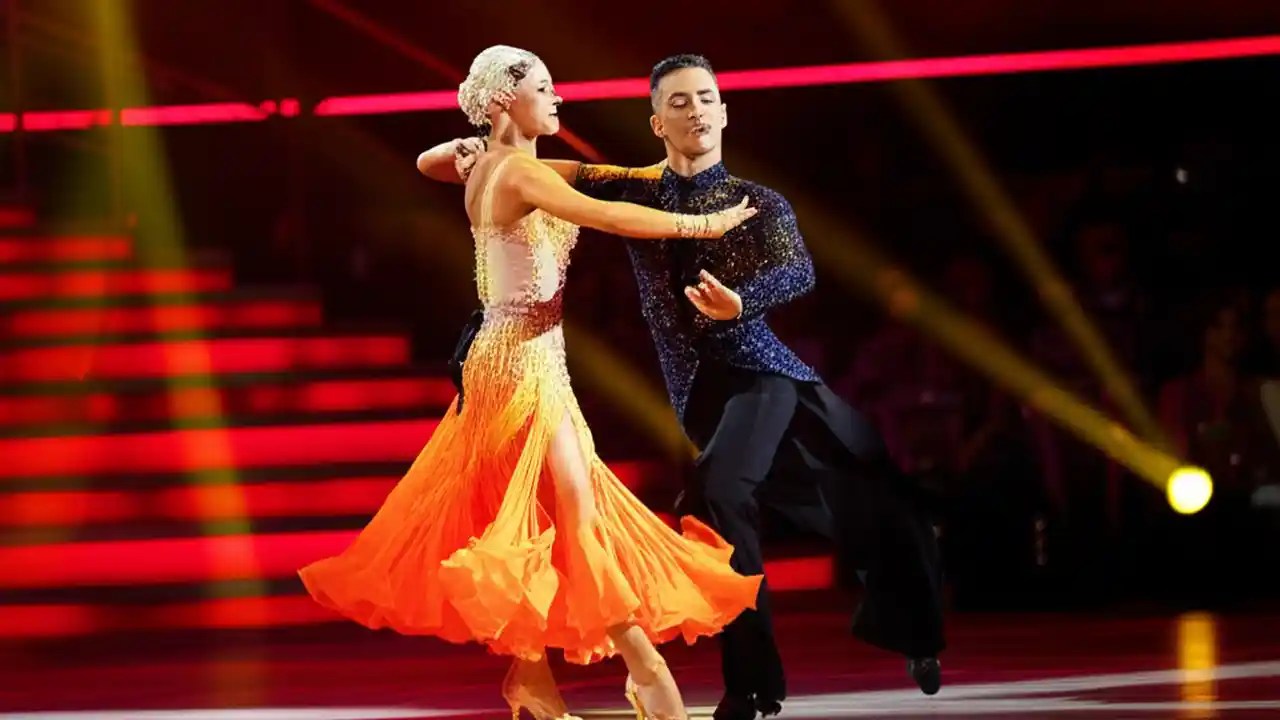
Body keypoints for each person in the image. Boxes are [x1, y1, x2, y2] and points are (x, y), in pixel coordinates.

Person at [420, 53, 946, 720]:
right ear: (656, 122)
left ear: (725, 111)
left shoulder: (759, 201)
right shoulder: (633, 187)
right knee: (811, 507)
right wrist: (470, 140)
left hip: (764, 374)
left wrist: (742, 301)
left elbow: (796, 270)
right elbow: (510, 178)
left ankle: (749, 684)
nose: (696, 109)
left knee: (718, 495)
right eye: (679, 101)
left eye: (706, 98)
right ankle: (553, 678)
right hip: (689, 391)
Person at [300, 45, 764, 720]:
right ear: (503, 102)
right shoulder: (519, 173)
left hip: (519, 358)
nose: (558, 99)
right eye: (543, 89)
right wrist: (704, 223)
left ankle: (534, 688)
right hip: (520, 366)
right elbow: (607, 215)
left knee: (538, 516)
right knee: (574, 516)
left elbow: (442, 160)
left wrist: (477, 141)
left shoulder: (493, 164)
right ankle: (646, 668)